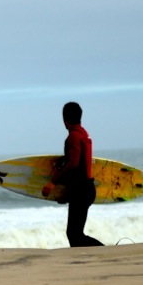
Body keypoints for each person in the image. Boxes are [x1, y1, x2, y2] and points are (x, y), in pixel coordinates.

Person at [43, 101, 103, 247]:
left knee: (74, 234)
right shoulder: (84, 134)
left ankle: (104, 251)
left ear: (65, 119)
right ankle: (100, 253)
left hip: (81, 191)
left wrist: (52, 182)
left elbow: (72, 164)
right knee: (75, 234)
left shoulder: (73, 137)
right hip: (86, 188)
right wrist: (65, 194)